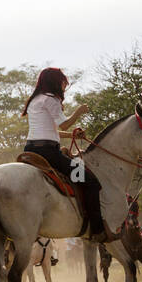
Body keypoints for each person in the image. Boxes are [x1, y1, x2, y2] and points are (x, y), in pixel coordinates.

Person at [21, 67, 105, 237]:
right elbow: (64, 124)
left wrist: (71, 134)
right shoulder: (51, 99)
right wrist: (79, 112)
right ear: (55, 82)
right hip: (49, 153)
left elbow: (53, 131)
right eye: (62, 82)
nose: (64, 85)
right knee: (89, 181)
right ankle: (96, 228)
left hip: (30, 149)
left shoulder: (34, 100)